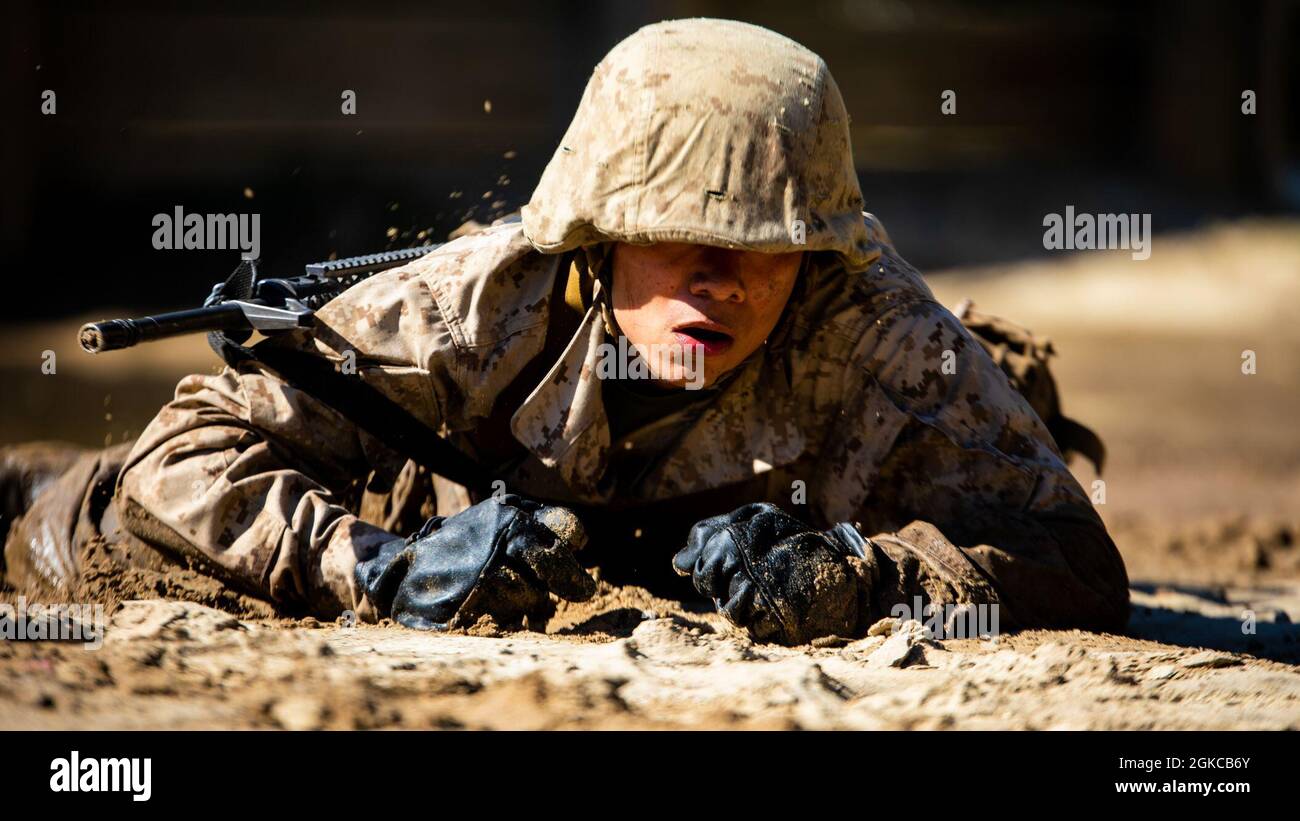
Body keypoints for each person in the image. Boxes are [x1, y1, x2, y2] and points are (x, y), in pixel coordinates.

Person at [1, 19, 1128, 645]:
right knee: (73, 519)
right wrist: (383, 567)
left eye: (761, 246)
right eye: (679, 235)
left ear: (816, 252)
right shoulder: (481, 301)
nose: (722, 280)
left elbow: (1071, 555)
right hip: (389, 502)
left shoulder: (879, 329)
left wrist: (862, 576)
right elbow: (177, 462)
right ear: (593, 238)